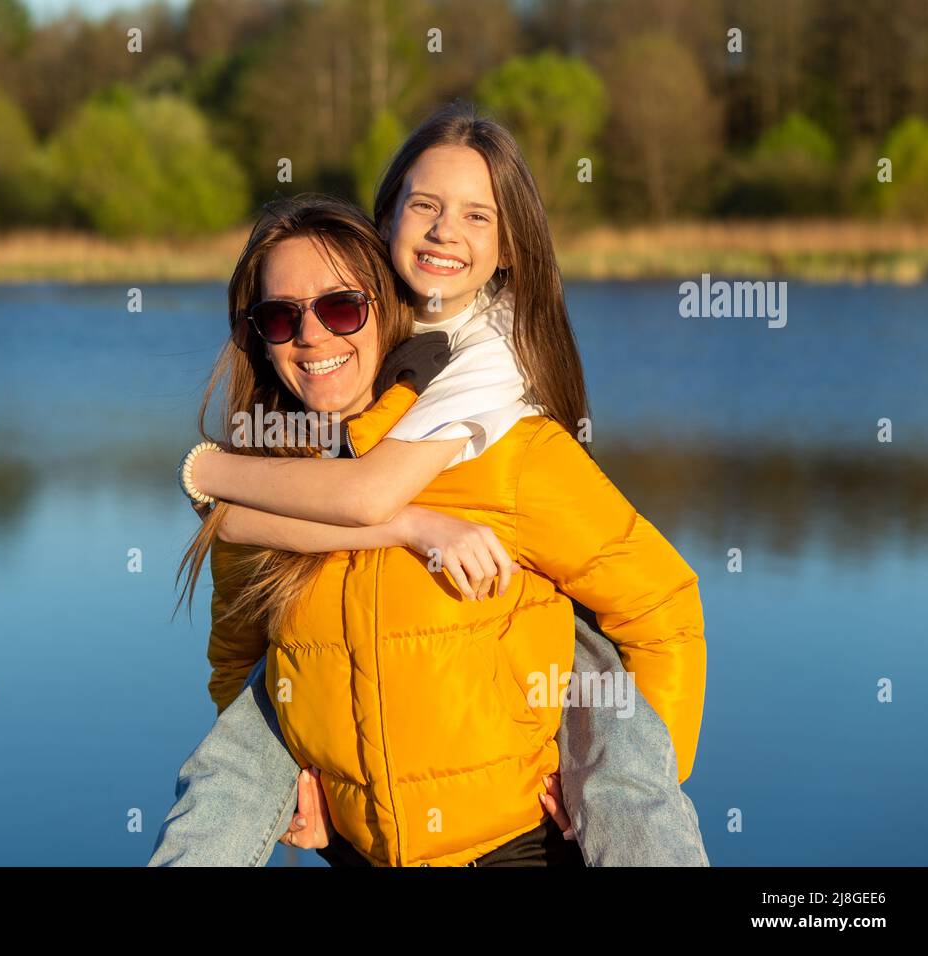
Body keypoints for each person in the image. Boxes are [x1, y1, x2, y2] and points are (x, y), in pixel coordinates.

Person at [153, 104, 707, 867]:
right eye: (282, 320)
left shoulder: (507, 437)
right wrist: (293, 794)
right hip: (359, 851)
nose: (314, 336)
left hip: (518, 851)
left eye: (343, 308)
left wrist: (623, 791)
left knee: (589, 670)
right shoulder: (275, 475)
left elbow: (662, 608)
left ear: (378, 299)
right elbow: (236, 657)